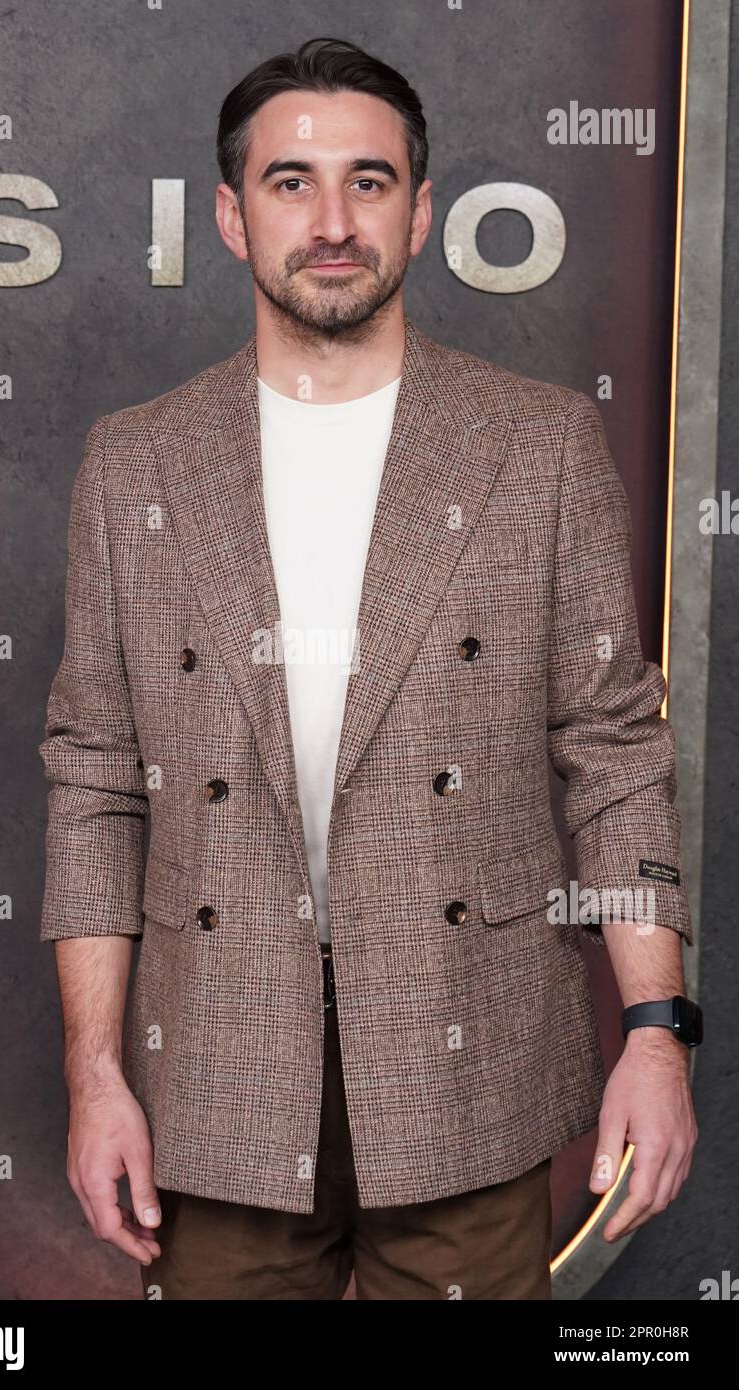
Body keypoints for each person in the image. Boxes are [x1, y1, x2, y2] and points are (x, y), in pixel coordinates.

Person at [38, 36, 700, 1300]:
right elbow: (95, 786)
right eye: (291, 183)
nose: (331, 221)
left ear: (422, 210)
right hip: (216, 1083)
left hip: (467, 1075)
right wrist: (95, 1075)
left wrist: (656, 1036)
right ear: (231, 217)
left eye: (368, 181)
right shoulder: (133, 465)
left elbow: (614, 758)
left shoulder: (538, 444)